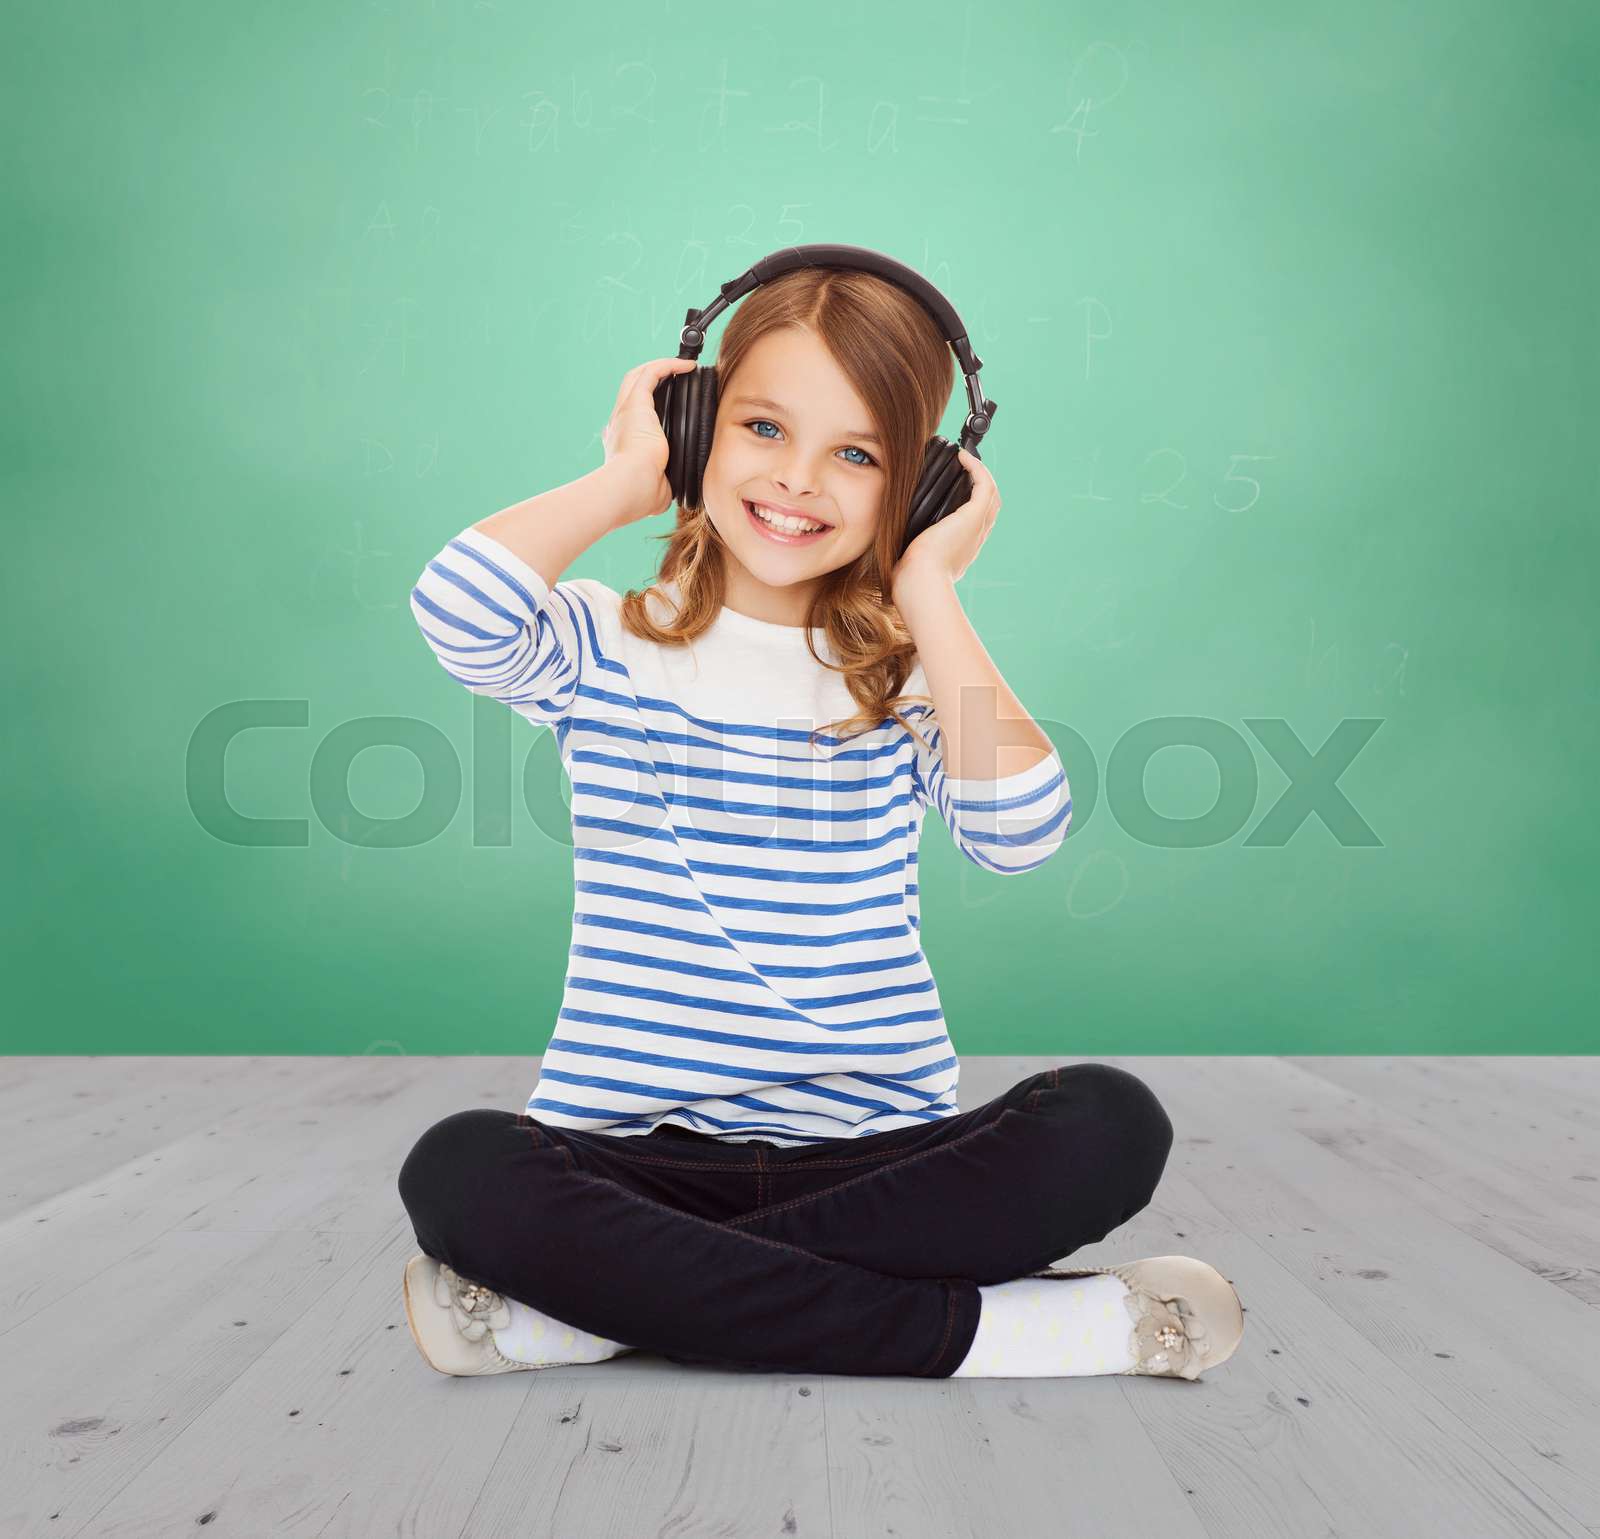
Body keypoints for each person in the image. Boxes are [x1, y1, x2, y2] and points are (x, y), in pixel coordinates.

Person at [397, 263, 1243, 1381]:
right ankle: (1012, 1335)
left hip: (875, 1159)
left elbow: (1021, 829)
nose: (798, 480)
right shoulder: (602, 642)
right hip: (628, 1157)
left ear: (924, 487)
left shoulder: (909, 683)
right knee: (460, 1169)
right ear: (697, 427)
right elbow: (454, 608)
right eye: (759, 426)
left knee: (1108, 1123)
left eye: (859, 455)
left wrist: (931, 586)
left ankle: (587, 1314)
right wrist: (625, 478)